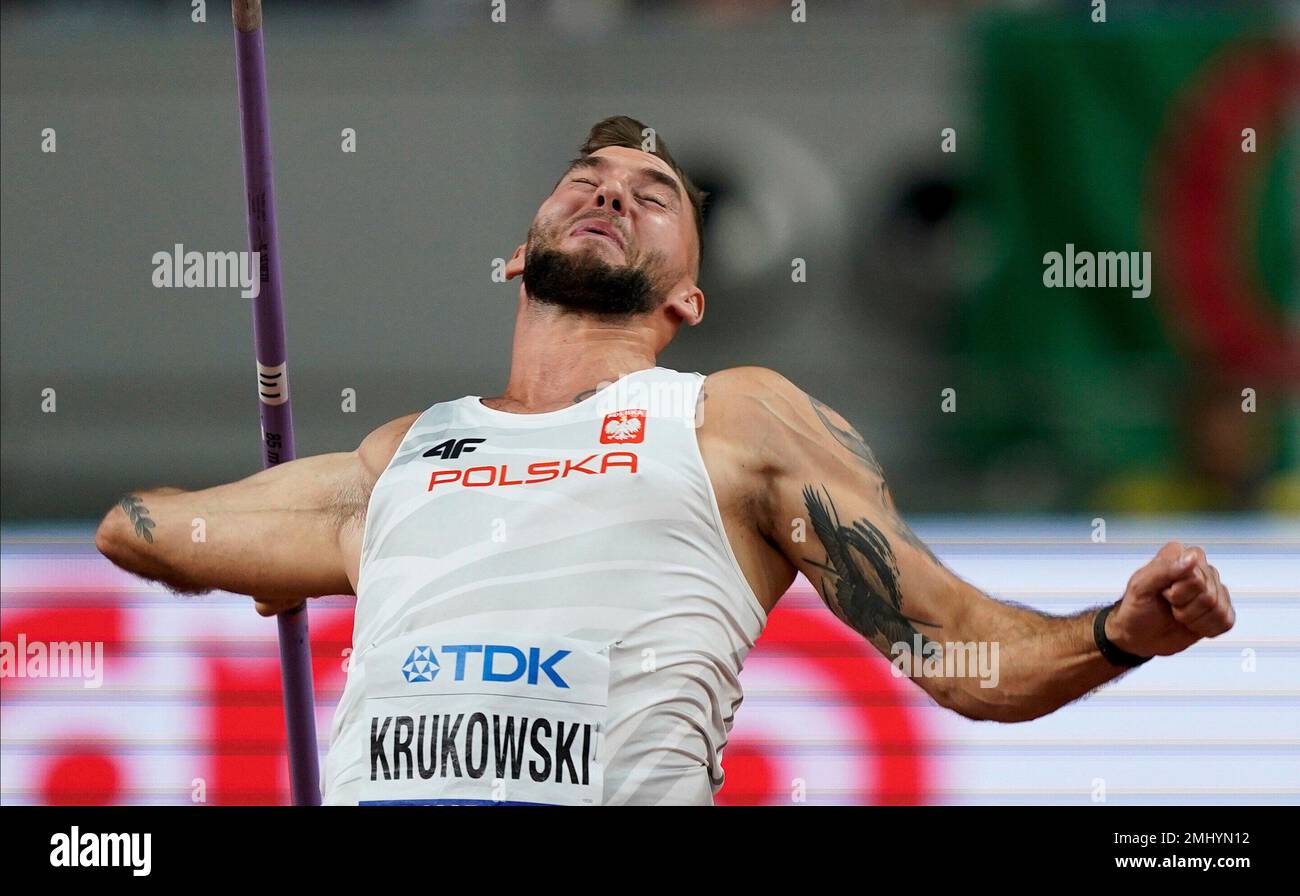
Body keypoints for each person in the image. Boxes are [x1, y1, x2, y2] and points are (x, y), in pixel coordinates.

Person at [95, 116, 1236, 806]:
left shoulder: (731, 419)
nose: (610, 192)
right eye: (588, 178)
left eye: (652, 197)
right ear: (517, 254)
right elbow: (142, 527)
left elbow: (957, 650)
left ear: (689, 293)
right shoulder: (401, 459)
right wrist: (262, 553)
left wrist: (1114, 633)